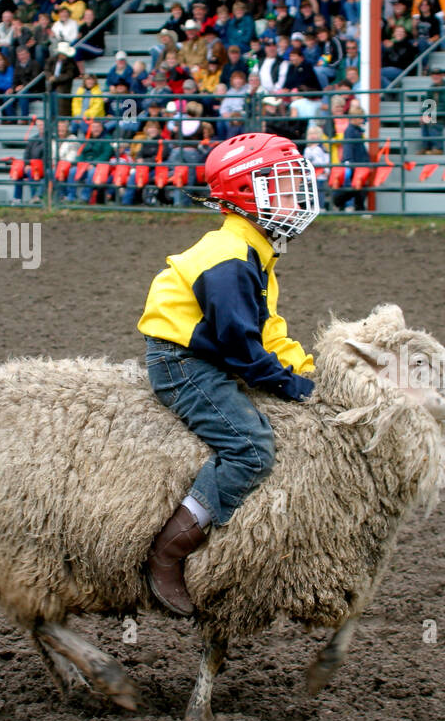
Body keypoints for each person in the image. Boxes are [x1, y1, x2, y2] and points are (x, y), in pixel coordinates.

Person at [137, 133, 320, 615]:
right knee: (251, 448)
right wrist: (289, 386)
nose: (295, 197)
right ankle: (167, 553)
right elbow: (243, 349)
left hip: (209, 352)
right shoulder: (229, 260)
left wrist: (312, 375)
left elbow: (267, 331)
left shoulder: (253, 251)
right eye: (281, 186)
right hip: (183, 363)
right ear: (247, 194)